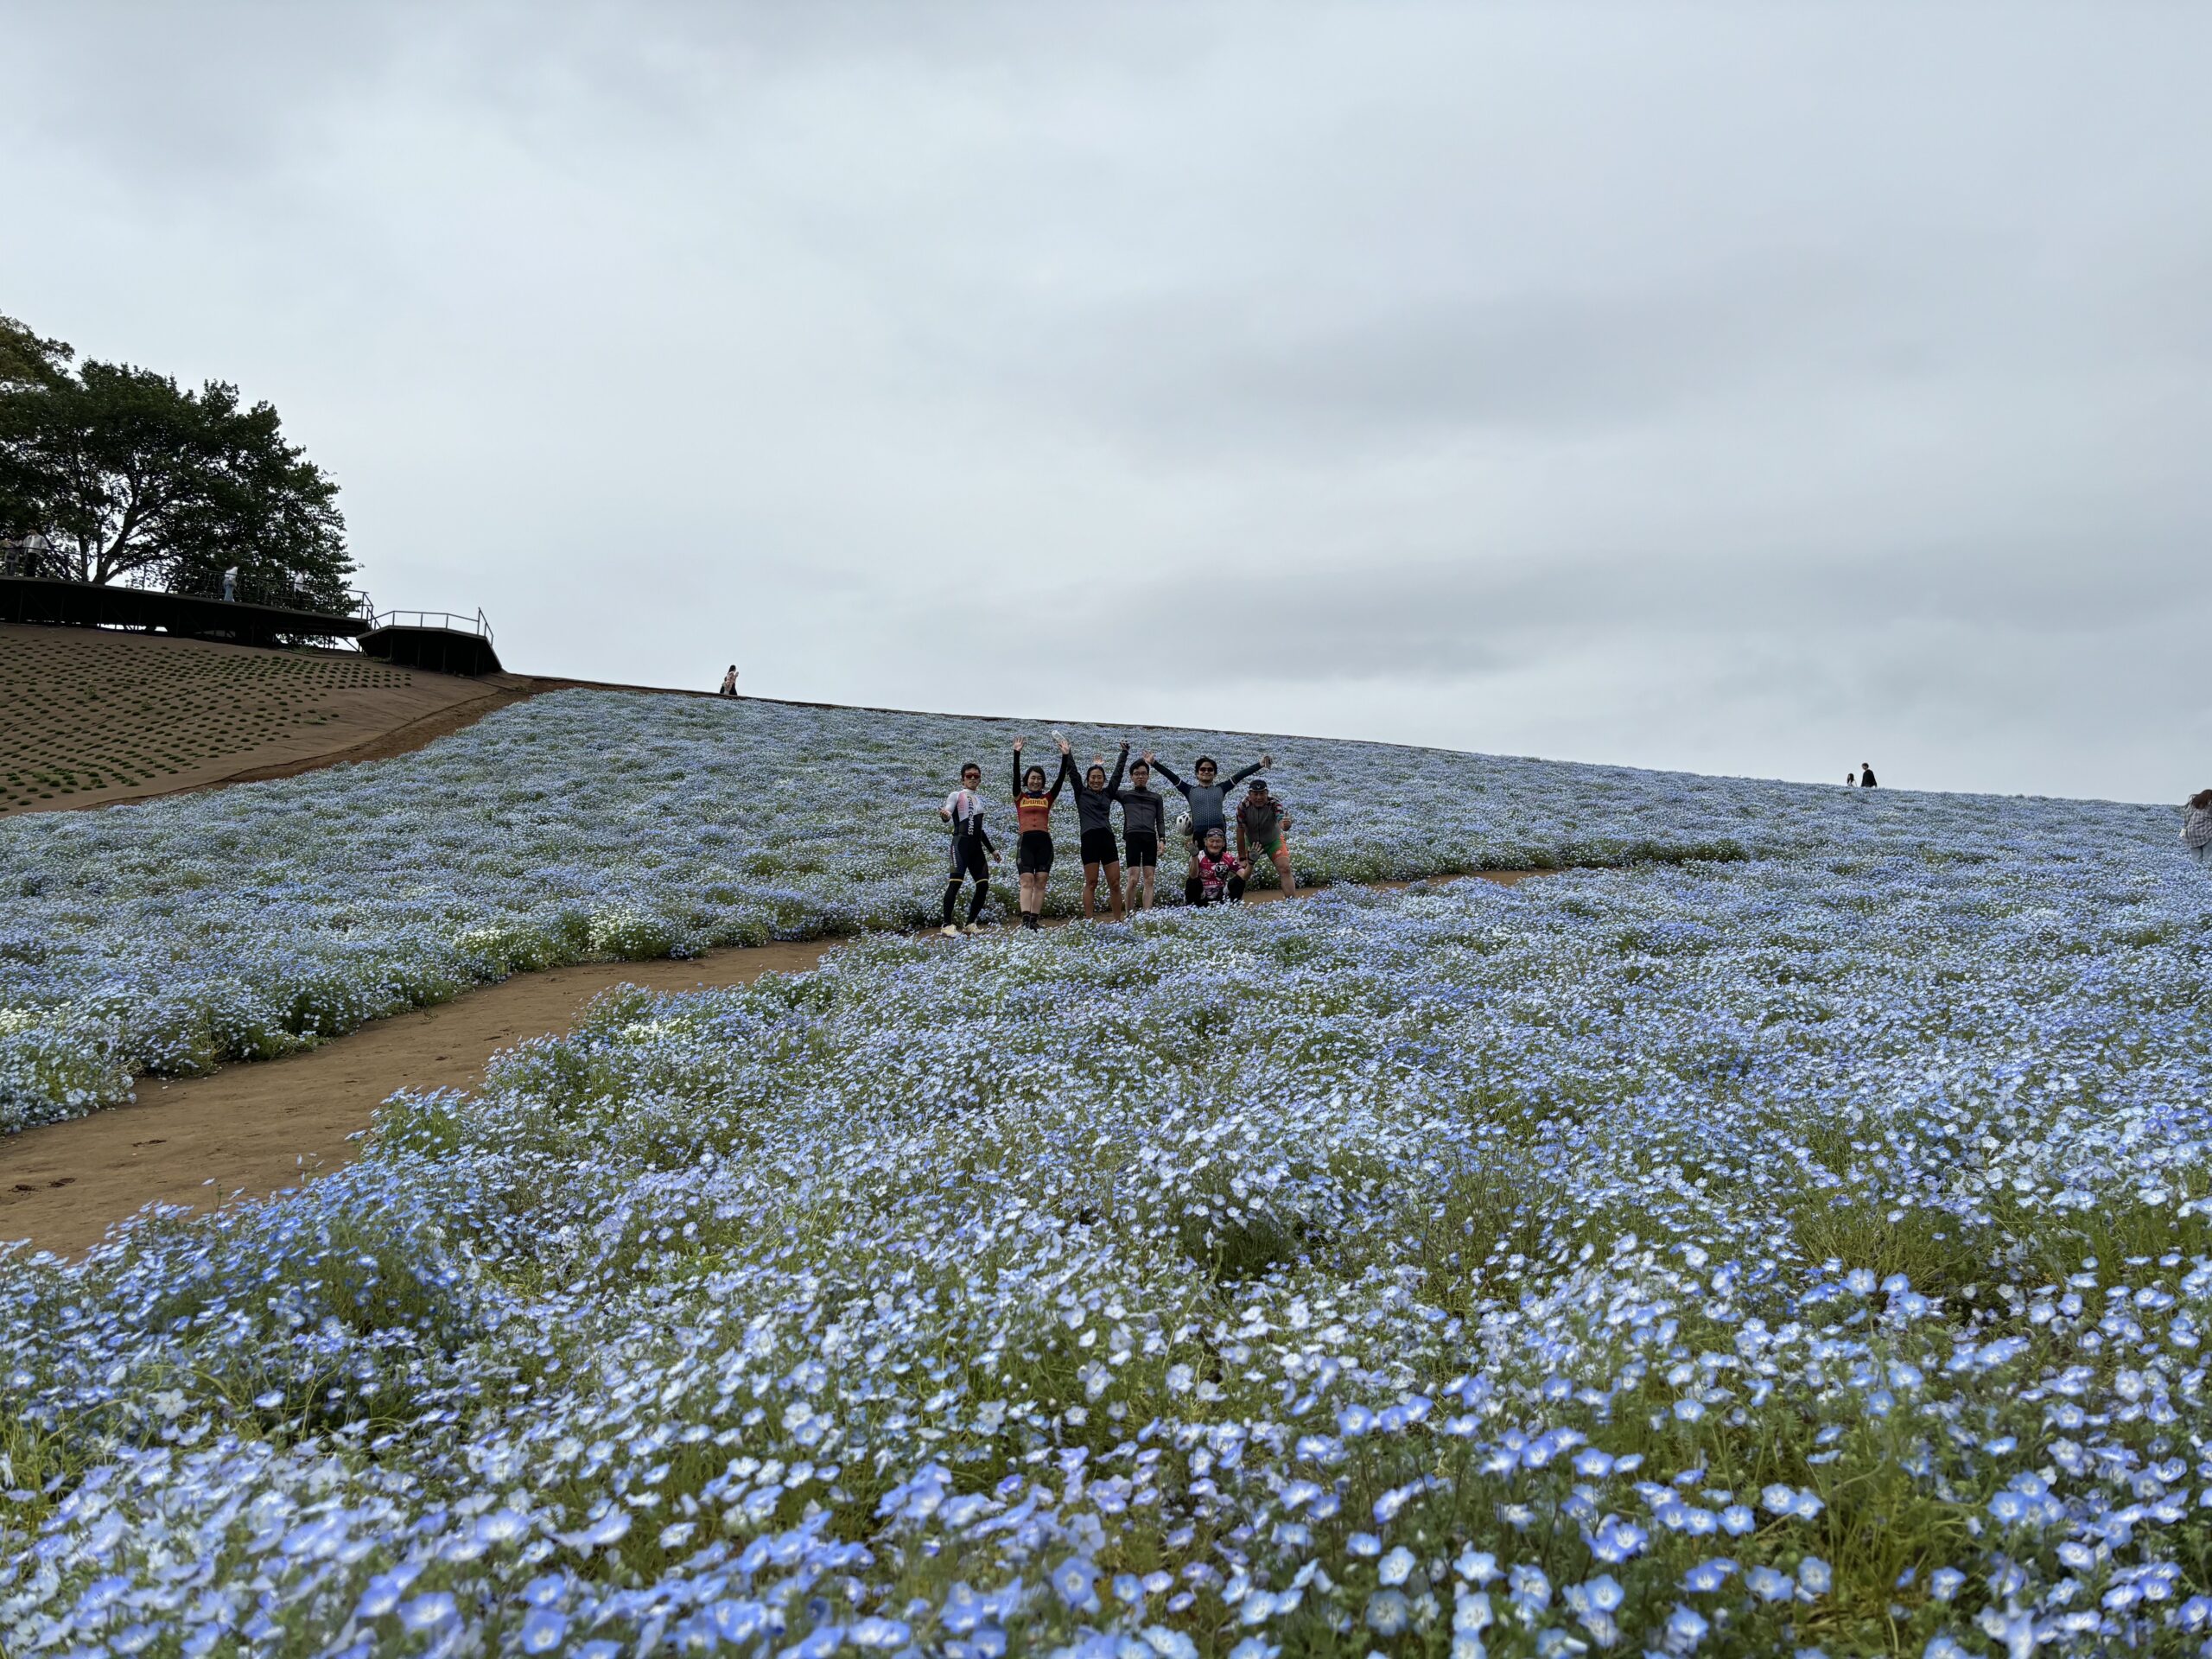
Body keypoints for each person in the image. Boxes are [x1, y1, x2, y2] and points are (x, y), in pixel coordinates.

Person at [1155, 751, 1270, 885]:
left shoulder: (1221, 788)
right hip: (1199, 835)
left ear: (1215, 774)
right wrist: (1154, 763)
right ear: (1197, 773)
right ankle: (1200, 897)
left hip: (1218, 836)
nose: (1206, 772)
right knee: (1197, 868)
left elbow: (1240, 776)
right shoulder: (1190, 790)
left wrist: (1260, 764)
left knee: (1221, 868)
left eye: (1210, 770)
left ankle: (1219, 894)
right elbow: (1171, 776)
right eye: (1202, 769)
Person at [1011, 734, 1072, 931]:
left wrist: (1065, 756)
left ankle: (1034, 920)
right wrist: (1016, 754)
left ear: (1043, 782)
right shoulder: (1019, 797)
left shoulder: (1048, 797)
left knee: (1041, 881)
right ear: (1027, 781)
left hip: (1045, 842)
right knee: (1026, 880)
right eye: (1032, 778)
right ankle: (1025, 920)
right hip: (1026, 841)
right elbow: (1015, 777)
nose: (1036, 781)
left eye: (1039, 779)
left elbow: (1061, 780)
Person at [1068, 741, 1128, 921]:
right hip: (1089, 839)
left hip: (1107, 839)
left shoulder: (1107, 793)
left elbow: (1117, 775)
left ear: (1103, 780)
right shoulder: (1081, 792)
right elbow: (1073, 773)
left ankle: (1118, 920)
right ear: (1088, 780)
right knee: (1092, 882)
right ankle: (1089, 920)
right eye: (1093, 777)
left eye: (1099, 777)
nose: (1096, 780)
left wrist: (1124, 754)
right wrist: (1068, 752)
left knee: (1115, 883)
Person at [938, 761, 998, 935]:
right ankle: (946, 925)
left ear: (980, 780)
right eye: (969, 776)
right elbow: (948, 812)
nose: (972, 778)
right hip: (960, 845)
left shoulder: (979, 801)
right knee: (955, 884)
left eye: (976, 776)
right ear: (962, 780)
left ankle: (970, 923)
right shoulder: (956, 795)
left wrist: (992, 850)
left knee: (983, 884)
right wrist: (945, 816)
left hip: (976, 848)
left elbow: (980, 830)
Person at [1115, 751, 1168, 912]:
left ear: (1148, 776)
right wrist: (1120, 757)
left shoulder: (1156, 797)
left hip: (1150, 838)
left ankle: (1147, 914)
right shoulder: (1125, 795)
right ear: (1131, 777)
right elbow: (1111, 785)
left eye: (1144, 774)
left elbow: (1160, 820)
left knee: (1150, 879)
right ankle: (1129, 914)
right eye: (1137, 774)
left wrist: (1162, 839)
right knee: (1132, 879)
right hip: (1133, 837)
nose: (1140, 777)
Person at [1236, 778, 1295, 896]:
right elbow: (1240, 832)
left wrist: (1286, 825)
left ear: (1267, 793)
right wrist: (1242, 857)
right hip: (1251, 843)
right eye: (1255, 794)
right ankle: (1233, 903)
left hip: (1273, 840)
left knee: (1285, 868)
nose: (1258, 797)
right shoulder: (1242, 806)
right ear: (1249, 794)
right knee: (1241, 870)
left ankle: (1292, 903)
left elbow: (1281, 823)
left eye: (1262, 793)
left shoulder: (1274, 803)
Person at [1186, 827, 1246, 906]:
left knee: (1240, 880)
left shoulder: (1228, 858)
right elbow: (1193, 876)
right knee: (1192, 881)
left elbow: (1245, 876)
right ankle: (1192, 907)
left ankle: (1232, 906)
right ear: (1205, 842)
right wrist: (1194, 857)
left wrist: (1251, 864)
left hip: (1220, 896)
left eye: (1218, 841)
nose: (1214, 845)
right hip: (1201, 896)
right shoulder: (1198, 855)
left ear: (1223, 843)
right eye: (1211, 841)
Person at [2184, 790, 2212, 862]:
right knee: (2209, 857)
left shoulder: (2193, 804)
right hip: (2206, 833)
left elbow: (2186, 818)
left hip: (2191, 833)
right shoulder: (2209, 806)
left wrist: (2184, 831)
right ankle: (2208, 872)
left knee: (2196, 859)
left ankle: (2197, 872)